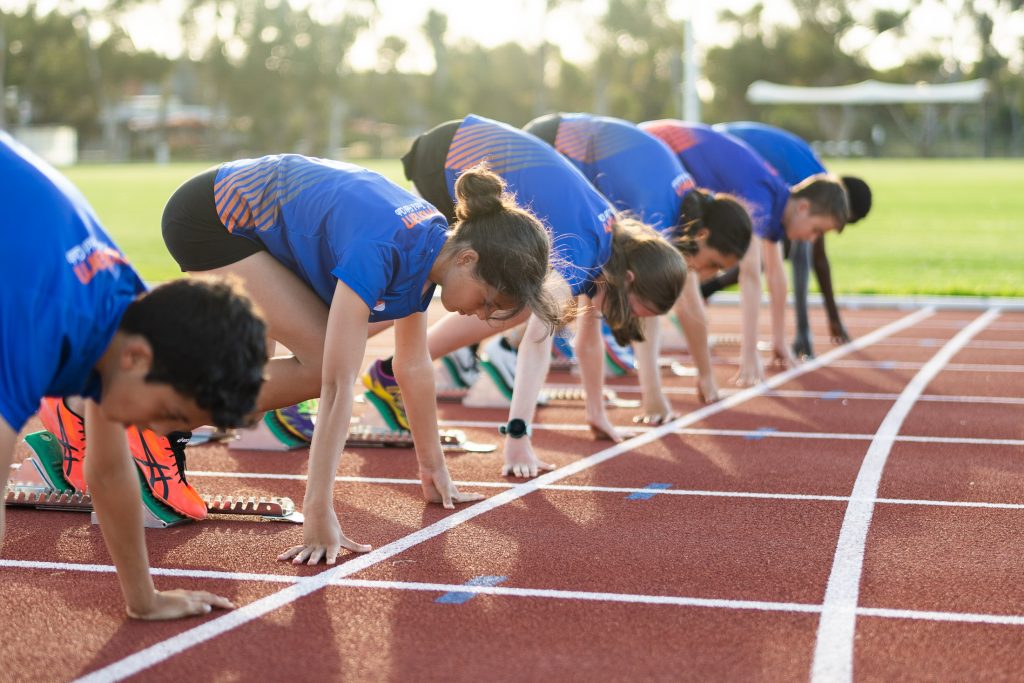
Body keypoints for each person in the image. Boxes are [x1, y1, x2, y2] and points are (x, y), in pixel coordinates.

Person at [162, 153, 560, 564]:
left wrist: (434, 469)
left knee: (252, 388)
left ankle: (147, 408)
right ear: (468, 259)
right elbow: (336, 384)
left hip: (256, 224)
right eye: (489, 300)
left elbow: (413, 363)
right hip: (211, 218)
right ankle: (151, 421)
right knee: (317, 365)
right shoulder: (384, 248)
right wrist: (318, 510)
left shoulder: (431, 247)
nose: (482, 315)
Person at [0, 131, 268, 620]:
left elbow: (107, 469)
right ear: (138, 359)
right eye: (170, 413)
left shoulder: (126, 317)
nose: (163, 433)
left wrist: (144, 599)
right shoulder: (38, 327)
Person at [369, 114, 685, 477]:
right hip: (453, 156)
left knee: (506, 296)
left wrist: (595, 413)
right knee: (496, 296)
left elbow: (588, 340)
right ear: (629, 279)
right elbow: (537, 342)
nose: (625, 320)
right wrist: (518, 436)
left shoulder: (611, 247)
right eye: (634, 309)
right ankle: (388, 371)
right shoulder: (584, 252)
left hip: (465, 145)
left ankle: (394, 367)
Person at [524, 112, 753, 416]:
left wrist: (706, 375)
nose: (707, 273)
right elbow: (667, 310)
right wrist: (655, 395)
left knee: (589, 292)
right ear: (703, 235)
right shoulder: (659, 216)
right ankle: (503, 347)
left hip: (565, 145)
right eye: (713, 263)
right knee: (564, 285)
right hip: (550, 146)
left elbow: (688, 305)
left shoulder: (685, 209)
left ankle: (511, 346)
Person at [640, 120, 850, 386]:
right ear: (803, 208)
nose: (812, 239)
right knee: (671, 256)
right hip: (657, 144)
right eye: (817, 230)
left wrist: (778, 340)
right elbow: (750, 273)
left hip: (665, 147)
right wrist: (749, 354)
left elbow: (775, 275)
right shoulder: (761, 196)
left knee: (683, 260)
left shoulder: (777, 199)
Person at [713, 121, 873, 358]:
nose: (818, 236)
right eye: (822, 229)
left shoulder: (818, 182)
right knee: (755, 254)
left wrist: (832, 317)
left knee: (772, 249)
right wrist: (803, 331)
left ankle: (703, 290)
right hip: (724, 150)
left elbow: (816, 258)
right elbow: (806, 260)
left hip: (725, 142)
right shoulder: (815, 188)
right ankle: (692, 293)